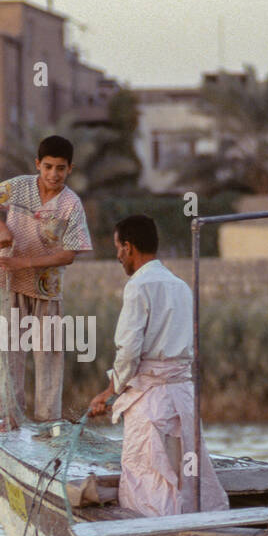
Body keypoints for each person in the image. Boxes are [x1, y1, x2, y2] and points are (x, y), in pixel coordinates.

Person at [87, 214, 229, 518]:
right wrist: (111, 393)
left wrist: (109, 392)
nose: (117, 256)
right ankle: (197, 528)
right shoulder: (180, 286)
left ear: (128, 248)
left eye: (117, 248)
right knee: (187, 472)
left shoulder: (138, 286)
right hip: (183, 398)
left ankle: (159, 535)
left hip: (152, 402)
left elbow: (129, 353)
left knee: (147, 477)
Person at [0, 135, 92, 430]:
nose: (53, 174)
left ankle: (49, 422)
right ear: (38, 164)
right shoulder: (21, 186)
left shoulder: (71, 205)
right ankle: (10, 416)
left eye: (60, 169)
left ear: (70, 169)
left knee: (48, 353)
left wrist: (24, 262)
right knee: (10, 349)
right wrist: (1, 228)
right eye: (48, 167)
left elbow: (69, 255)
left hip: (46, 289)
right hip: (12, 282)